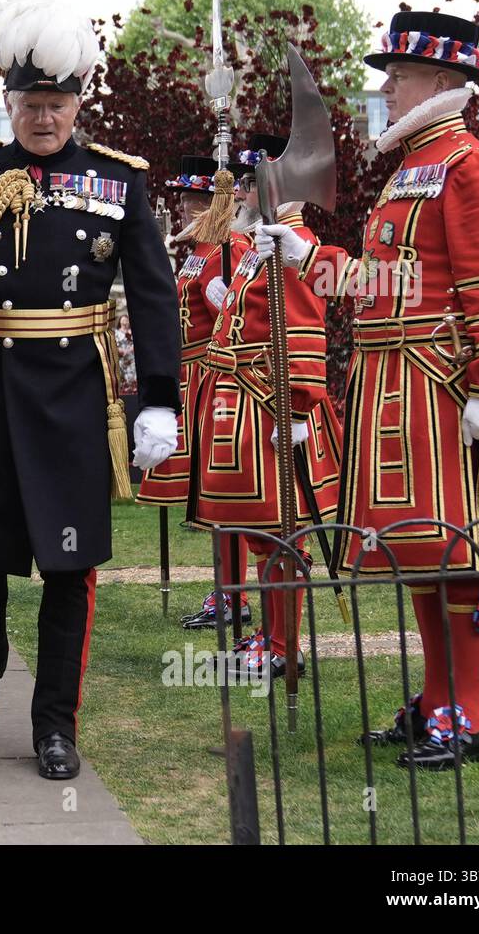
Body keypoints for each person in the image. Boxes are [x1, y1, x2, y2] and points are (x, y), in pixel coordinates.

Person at [0, 0, 182, 780]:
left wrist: (158, 398)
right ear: (7, 100)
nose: (43, 118)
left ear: (77, 102)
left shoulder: (118, 180)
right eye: (30, 102)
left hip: (73, 391)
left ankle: (55, 722)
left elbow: (155, 294)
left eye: (57, 103)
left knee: (71, 564)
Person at [260, 11, 479, 768]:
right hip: (396, 389)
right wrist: (303, 252)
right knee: (423, 552)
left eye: (400, 74)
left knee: (464, 552)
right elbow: (378, 283)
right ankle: (436, 699)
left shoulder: (470, 166)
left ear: (443, 84)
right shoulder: (409, 169)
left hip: (445, 392)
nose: (385, 87)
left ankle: (467, 716)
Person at [190, 134, 343, 680]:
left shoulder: (293, 244)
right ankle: (272, 636)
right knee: (261, 531)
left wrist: (298, 412)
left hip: (274, 409)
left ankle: (283, 644)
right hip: (248, 405)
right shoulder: (262, 245)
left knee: (281, 531)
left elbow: (304, 334)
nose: (246, 192)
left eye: (254, 183)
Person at [135, 156, 253, 631]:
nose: (184, 207)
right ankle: (226, 588)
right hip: (188, 376)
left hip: (213, 378)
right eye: (183, 198)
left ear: (216, 203)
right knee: (206, 493)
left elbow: (236, 318)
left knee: (222, 491)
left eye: (195, 199)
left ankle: (235, 592)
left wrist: (228, 295)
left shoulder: (230, 246)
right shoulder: (198, 248)